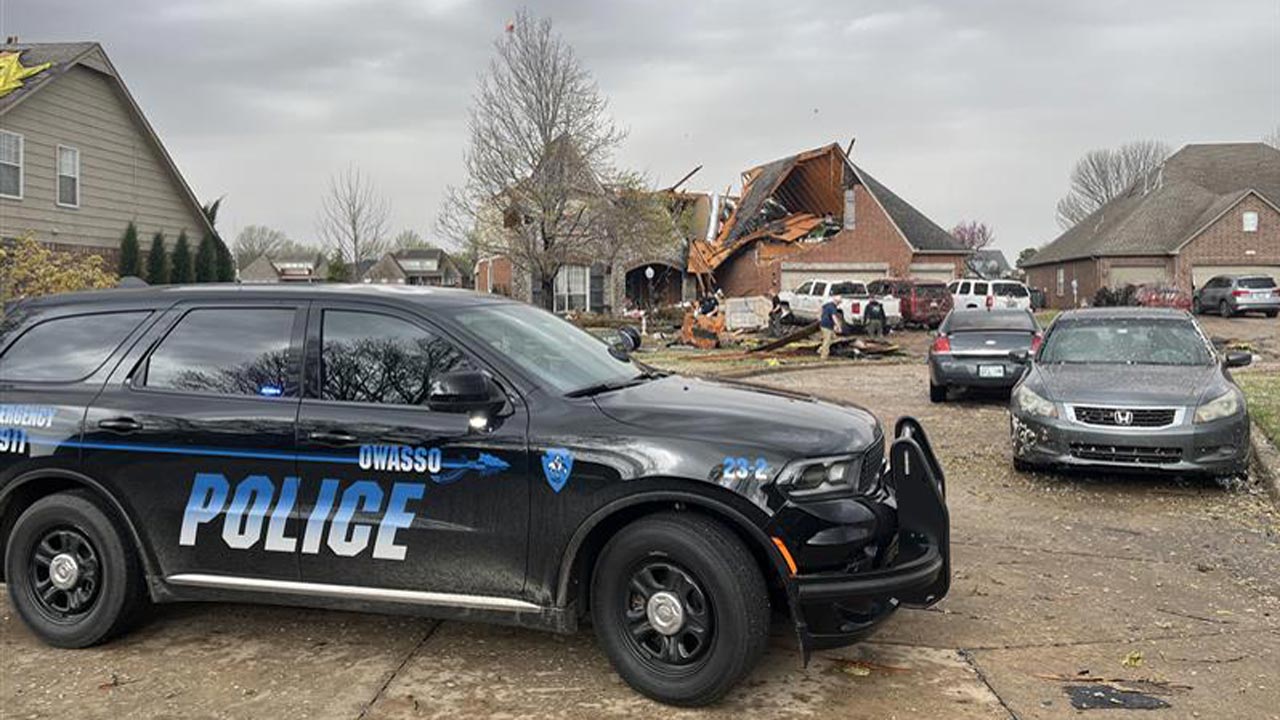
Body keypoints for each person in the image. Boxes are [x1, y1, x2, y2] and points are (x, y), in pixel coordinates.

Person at [819, 294, 843, 359]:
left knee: (833, 338)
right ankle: (824, 356)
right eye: (839, 302)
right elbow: (834, 317)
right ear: (837, 302)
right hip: (827, 326)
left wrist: (820, 317)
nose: (839, 304)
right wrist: (838, 326)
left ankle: (821, 349)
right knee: (827, 341)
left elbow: (821, 308)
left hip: (823, 325)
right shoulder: (833, 308)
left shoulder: (827, 304)